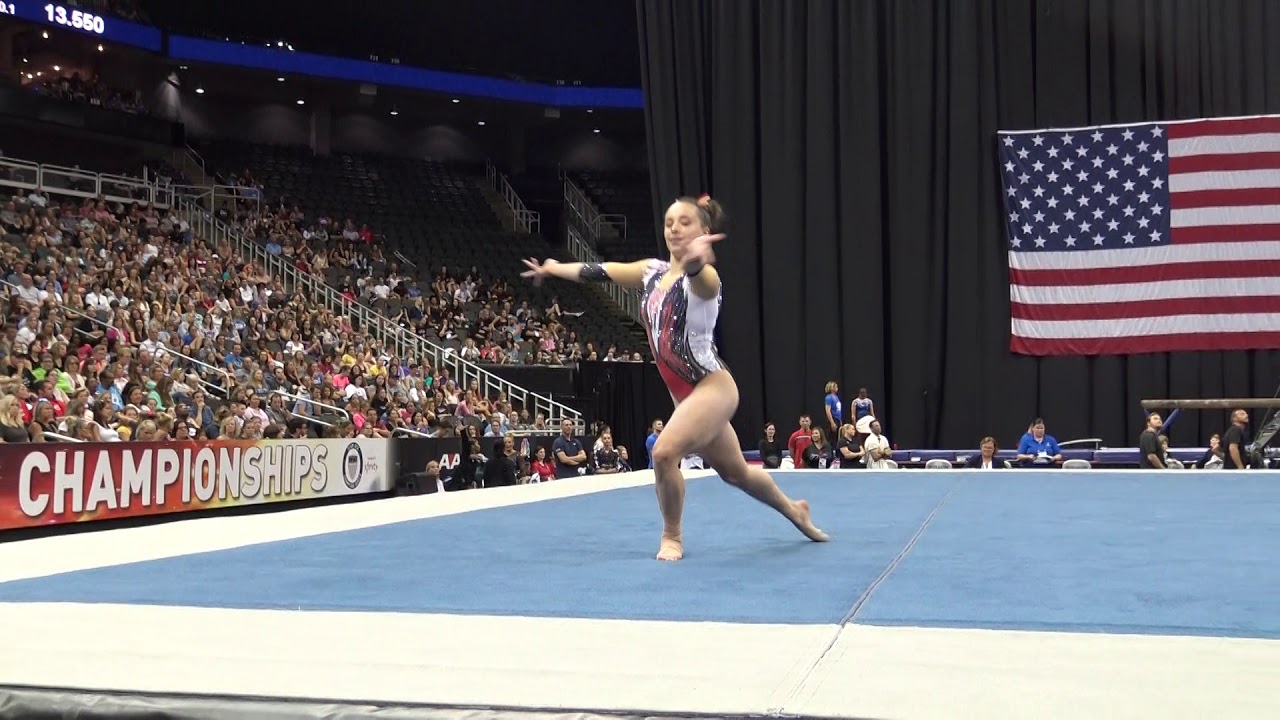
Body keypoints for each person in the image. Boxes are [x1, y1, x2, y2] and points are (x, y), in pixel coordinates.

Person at [521, 194, 827, 560]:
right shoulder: (650, 271)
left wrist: (696, 264)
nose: (675, 229)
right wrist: (553, 269)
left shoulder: (703, 276)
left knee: (664, 452)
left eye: (685, 222)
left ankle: (672, 536)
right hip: (685, 397)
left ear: (704, 230)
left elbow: (706, 284)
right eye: (669, 222)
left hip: (712, 386)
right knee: (737, 474)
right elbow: (598, 271)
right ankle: (795, 510)